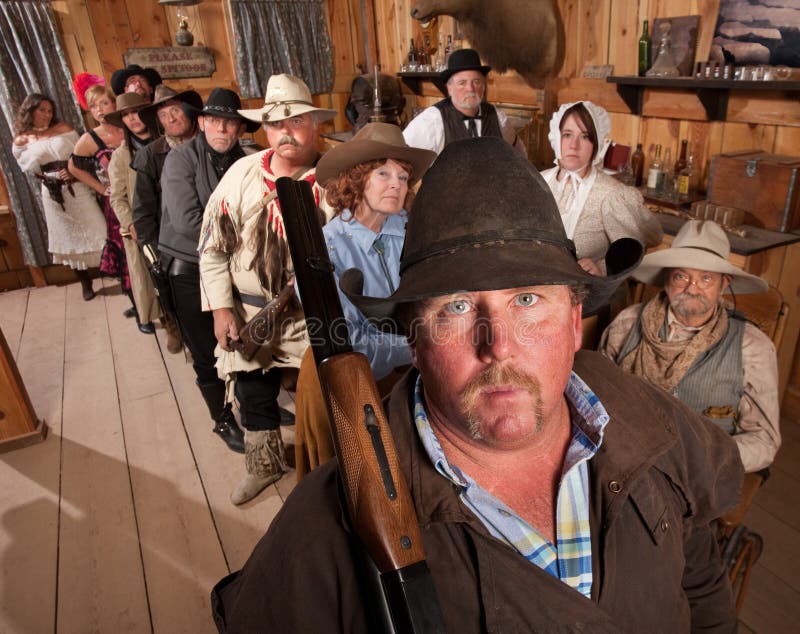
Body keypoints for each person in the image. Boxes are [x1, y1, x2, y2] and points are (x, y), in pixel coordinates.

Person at [211, 138, 743, 632]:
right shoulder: (324, 533)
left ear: (575, 316)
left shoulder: (653, 423)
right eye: (458, 307)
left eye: (528, 300)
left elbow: (698, 574)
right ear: (414, 340)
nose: (499, 345)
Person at [198, 74, 336, 504]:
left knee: (322, 396)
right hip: (249, 315)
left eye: (295, 121)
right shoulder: (241, 174)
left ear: (315, 123)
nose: (286, 132)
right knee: (252, 393)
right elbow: (212, 249)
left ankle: (328, 473)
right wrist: (222, 309)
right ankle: (263, 465)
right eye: (275, 124)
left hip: (309, 314)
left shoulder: (337, 177)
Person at [293, 122, 436, 478]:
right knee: (353, 480)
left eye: (403, 177)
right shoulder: (325, 249)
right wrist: (416, 347)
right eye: (383, 172)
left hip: (414, 368)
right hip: (347, 376)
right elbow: (349, 344)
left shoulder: (415, 233)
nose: (396, 184)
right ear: (356, 178)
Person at [599, 219, 781, 474]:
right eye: (681, 276)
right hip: (626, 458)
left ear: (724, 284)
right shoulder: (628, 324)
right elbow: (597, 400)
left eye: (706, 279)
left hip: (701, 474)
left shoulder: (752, 347)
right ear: (666, 280)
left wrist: (703, 460)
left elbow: (763, 439)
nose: (691, 289)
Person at [159, 88, 260, 453]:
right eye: (214, 120)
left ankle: (253, 409)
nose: (222, 128)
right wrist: (247, 237)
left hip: (235, 265)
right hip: (190, 268)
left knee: (245, 341)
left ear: (239, 127)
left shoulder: (248, 160)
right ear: (201, 123)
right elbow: (187, 222)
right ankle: (221, 418)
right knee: (205, 349)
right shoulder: (180, 160)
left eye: (229, 122)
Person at [541, 101, 662, 275]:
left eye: (585, 137)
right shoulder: (540, 181)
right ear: (556, 137)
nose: (573, 145)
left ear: (596, 144)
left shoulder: (610, 194)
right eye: (567, 134)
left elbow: (632, 252)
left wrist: (601, 268)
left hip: (588, 294)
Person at [12, 93, 106, 300]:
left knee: (98, 228)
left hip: (77, 186)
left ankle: (114, 271)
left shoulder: (64, 129)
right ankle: (85, 282)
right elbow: (27, 168)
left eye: (49, 110)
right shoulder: (22, 139)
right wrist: (47, 177)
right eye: (42, 110)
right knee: (68, 236)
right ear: (30, 111)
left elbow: (81, 155)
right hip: (53, 194)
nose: (47, 115)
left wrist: (72, 171)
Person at [107, 91, 173, 340]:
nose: (132, 118)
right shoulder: (121, 156)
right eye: (125, 115)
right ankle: (170, 325)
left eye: (135, 111)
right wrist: (131, 223)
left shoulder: (167, 144)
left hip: (171, 218)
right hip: (145, 225)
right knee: (154, 277)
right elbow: (118, 197)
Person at [68, 77, 132, 313]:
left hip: (142, 195)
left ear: (114, 104)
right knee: (126, 253)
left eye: (104, 103)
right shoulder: (90, 139)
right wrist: (99, 187)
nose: (99, 110)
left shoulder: (129, 125)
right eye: (93, 106)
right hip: (117, 203)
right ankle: (138, 305)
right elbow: (73, 167)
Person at [402, 48, 523, 155]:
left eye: (476, 82)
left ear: (484, 86)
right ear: (449, 88)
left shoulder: (498, 118)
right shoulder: (432, 121)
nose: (470, 88)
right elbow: (402, 155)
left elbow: (518, 153)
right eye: (462, 83)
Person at [130, 85, 201, 258]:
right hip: (174, 248)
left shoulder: (209, 145)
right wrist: (156, 257)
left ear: (189, 111)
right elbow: (143, 214)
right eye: (163, 115)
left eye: (175, 111)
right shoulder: (150, 155)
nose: (170, 119)